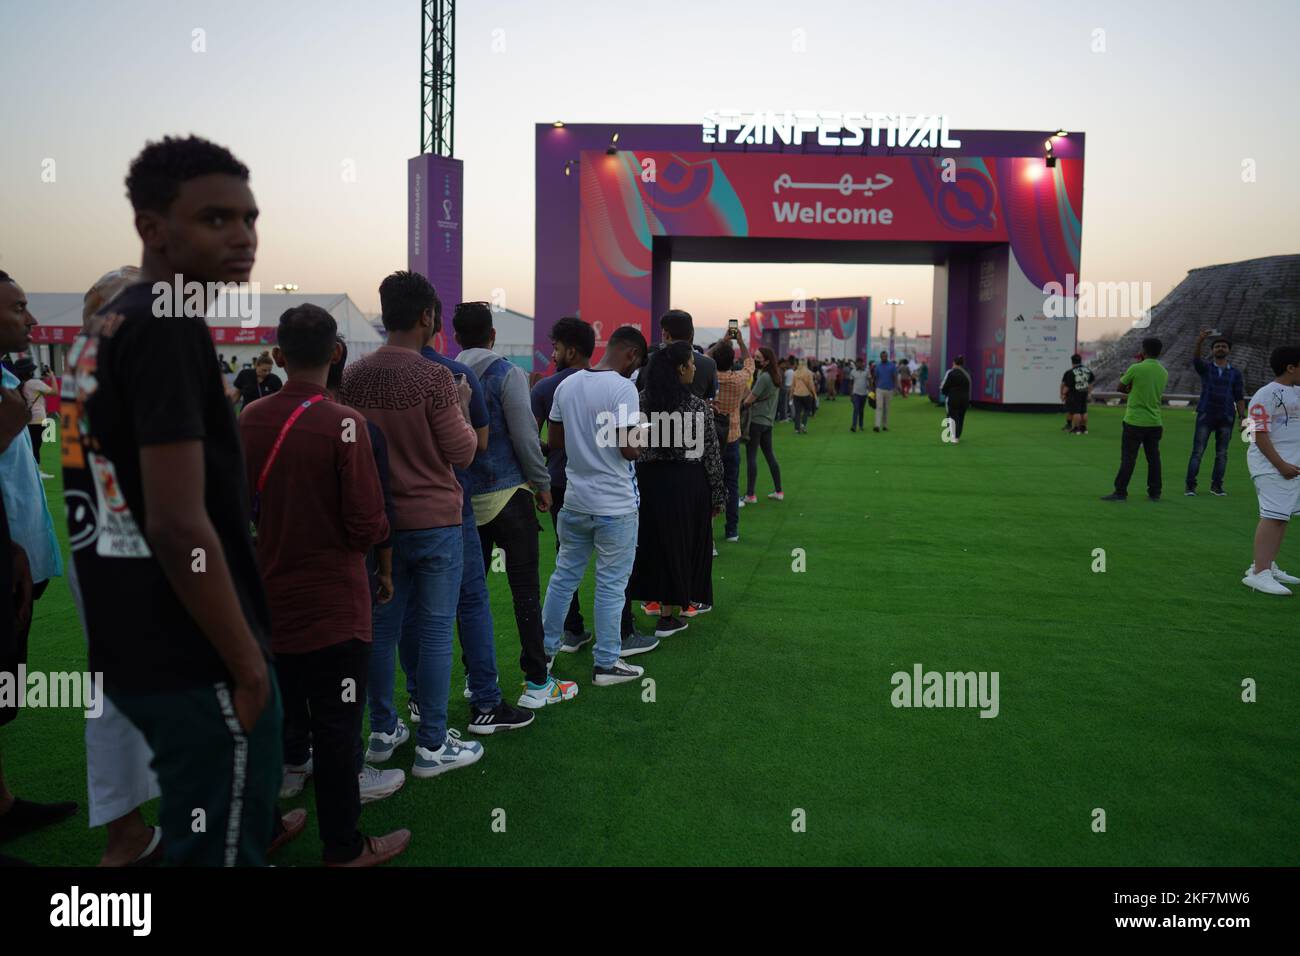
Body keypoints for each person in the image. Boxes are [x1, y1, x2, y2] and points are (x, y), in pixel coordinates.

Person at [60, 137, 283, 865]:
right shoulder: (166, 323)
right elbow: (177, 521)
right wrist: (247, 666)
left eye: (249, 217)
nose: (243, 236)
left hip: (135, 638)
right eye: (216, 218)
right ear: (153, 228)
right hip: (192, 651)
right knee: (218, 848)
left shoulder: (111, 322)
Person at [240, 304, 410, 866]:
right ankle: (343, 846)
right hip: (334, 604)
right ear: (337, 353)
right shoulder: (345, 423)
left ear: (280, 356)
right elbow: (367, 523)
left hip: (269, 600)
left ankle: (262, 826)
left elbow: (235, 508)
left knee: (272, 722)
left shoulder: (251, 417)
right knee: (337, 730)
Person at [339, 275, 484, 779]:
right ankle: (432, 743)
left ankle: (382, 731)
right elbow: (463, 453)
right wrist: (462, 404)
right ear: (426, 316)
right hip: (436, 521)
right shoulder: (434, 378)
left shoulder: (354, 376)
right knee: (437, 630)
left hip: (380, 523)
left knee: (381, 630)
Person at [453, 301, 582, 708]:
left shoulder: (445, 372)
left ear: (455, 337)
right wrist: (542, 483)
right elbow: (526, 436)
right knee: (524, 592)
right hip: (510, 494)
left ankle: (477, 679)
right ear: (493, 335)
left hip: (462, 500)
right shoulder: (507, 373)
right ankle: (537, 682)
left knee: (469, 598)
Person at [0, 277, 77, 863]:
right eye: (18, 306)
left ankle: (2, 805)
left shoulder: (9, 382)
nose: (30, 319)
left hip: (19, 566)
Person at [541, 325, 649, 687]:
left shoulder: (567, 385)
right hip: (615, 503)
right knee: (610, 585)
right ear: (631, 354)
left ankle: (544, 653)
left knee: (564, 577)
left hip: (575, 499)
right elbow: (629, 448)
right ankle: (606, 663)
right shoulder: (623, 388)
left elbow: (555, 440)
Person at [628, 341, 724, 638]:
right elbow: (710, 454)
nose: (695, 368)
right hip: (686, 483)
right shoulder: (697, 406)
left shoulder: (640, 401)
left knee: (651, 543)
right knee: (681, 545)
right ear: (680, 368)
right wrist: (718, 493)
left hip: (648, 482)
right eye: (691, 364)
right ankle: (671, 615)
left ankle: (655, 606)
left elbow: (630, 446)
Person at [532, 318, 597, 656]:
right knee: (615, 562)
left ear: (570, 350)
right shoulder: (609, 383)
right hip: (604, 485)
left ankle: (572, 630)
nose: (553, 353)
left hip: (561, 485)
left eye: (555, 347)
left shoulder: (545, 388)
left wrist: (546, 454)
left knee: (566, 560)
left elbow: (531, 440)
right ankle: (620, 632)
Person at [1241, 345, 1300, 594]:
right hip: (1272, 466)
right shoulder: (1266, 394)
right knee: (1274, 515)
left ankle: (1265, 564)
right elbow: (1258, 432)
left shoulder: (1296, 391)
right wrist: (1281, 465)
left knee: (1281, 516)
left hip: (1289, 465)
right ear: (1290, 367)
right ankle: (1259, 573)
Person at [1102, 337, 1169, 502]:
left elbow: (1120, 387)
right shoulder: (1163, 372)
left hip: (1134, 420)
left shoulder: (1135, 368)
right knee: (1153, 459)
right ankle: (1155, 492)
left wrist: (1130, 388)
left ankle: (1120, 492)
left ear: (1143, 350)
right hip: (1155, 421)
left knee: (1128, 458)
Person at [1185, 330, 1246, 497]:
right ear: (1212, 351)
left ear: (1229, 351)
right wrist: (1199, 341)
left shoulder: (1235, 373)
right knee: (1198, 451)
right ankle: (1190, 487)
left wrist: (1243, 417)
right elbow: (1196, 359)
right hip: (1206, 413)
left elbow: (1239, 397)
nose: (1220, 348)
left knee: (1222, 453)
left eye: (1224, 346)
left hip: (1226, 416)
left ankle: (1217, 486)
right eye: (1217, 346)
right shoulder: (1206, 368)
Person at [710, 329, 753, 542]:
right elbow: (750, 364)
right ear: (732, 360)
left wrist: (723, 340)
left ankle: (707, 529)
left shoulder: (711, 376)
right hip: (732, 435)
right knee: (732, 485)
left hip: (711, 437)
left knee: (708, 484)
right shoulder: (738, 380)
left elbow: (703, 358)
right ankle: (732, 531)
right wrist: (741, 342)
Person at [742, 347, 784, 504]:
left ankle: (750, 495)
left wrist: (741, 403)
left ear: (766, 360)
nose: (755, 359)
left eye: (758, 357)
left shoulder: (764, 376)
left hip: (756, 422)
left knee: (751, 457)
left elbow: (749, 400)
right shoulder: (774, 375)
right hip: (768, 422)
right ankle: (779, 491)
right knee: (769, 455)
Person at [14, 358, 53, 478]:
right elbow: (55, 391)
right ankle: (36, 472)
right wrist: (52, 377)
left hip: (28, 419)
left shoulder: (19, 384)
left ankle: (31, 470)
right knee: (36, 446)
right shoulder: (34, 383)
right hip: (39, 418)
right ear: (30, 371)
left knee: (32, 446)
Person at [940, 355, 973, 443]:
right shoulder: (967, 373)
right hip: (965, 398)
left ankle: (954, 437)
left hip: (953, 398)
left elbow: (945, 387)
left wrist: (945, 392)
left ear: (954, 363)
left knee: (952, 417)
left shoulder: (951, 373)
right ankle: (958, 436)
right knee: (961, 417)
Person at [1060, 353, 1095, 435]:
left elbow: (1067, 386)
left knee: (1076, 412)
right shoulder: (1087, 370)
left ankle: (1076, 429)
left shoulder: (1071, 372)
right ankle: (1084, 428)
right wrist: (1089, 393)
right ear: (1080, 361)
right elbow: (1090, 383)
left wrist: (1063, 394)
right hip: (1084, 392)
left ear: (1072, 362)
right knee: (1084, 411)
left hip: (1074, 394)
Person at [872, 351, 897, 431]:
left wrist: (895, 388)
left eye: (885, 356)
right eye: (882, 356)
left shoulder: (892, 366)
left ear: (887, 357)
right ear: (880, 357)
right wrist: (874, 389)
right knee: (879, 407)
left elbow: (894, 377)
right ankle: (877, 426)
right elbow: (875, 378)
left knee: (886, 408)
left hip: (889, 390)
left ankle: (885, 425)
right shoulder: (877, 367)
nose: (884, 358)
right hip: (879, 389)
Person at [790, 358, 817, 434]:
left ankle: (796, 429)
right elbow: (811, 385)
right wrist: (814, 393)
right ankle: (803, 425)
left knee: (797, 412)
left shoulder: (795, 373)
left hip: (796, 394)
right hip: (806, 394)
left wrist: (790, 395)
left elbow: (792, 386)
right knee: (806, 410)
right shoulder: (809, 373)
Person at [849, 359, 871, 432]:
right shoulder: (853, 372)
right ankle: (854, 426)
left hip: (864, 394)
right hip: (855, 394)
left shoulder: (867, 371)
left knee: (861, 410)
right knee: (856, 409)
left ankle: (861, 425)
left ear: (862, 363)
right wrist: (850, 394)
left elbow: (870, 381)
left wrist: (871, 392)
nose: (858, 364)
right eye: (857, 363)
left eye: (860, 363)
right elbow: (851, 383)